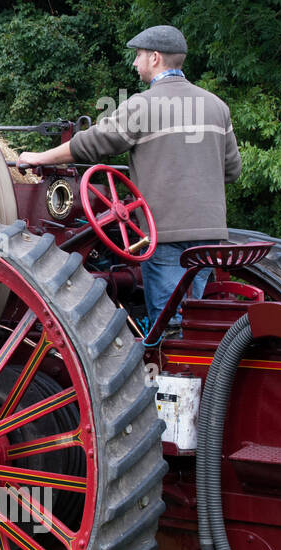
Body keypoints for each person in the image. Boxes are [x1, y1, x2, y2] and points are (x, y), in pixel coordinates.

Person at [16, 25, 241, 331]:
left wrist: (39, 157)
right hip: (210, 233)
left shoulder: (143, 105)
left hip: (165, 234)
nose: (135, 63)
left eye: (138, 56)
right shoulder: (217, 107)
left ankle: (170, 374)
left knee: (170, 324)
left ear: (155, 58)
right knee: (194, 321)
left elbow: (92, 144)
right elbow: (232, 171)